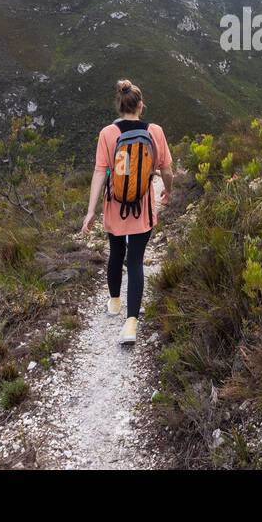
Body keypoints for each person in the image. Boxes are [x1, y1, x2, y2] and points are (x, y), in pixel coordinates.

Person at [81, 79, 173, 344]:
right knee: (135, 262)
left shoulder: (107, 134)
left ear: (119, 106)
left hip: (114, 206)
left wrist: (90, 211)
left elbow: (100, 172)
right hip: (142, 208)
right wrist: (168, 190)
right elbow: (166, 169)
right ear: (141, 106)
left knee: (116, 252)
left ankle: (114, 301)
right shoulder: (154, 131)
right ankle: (131, 324)